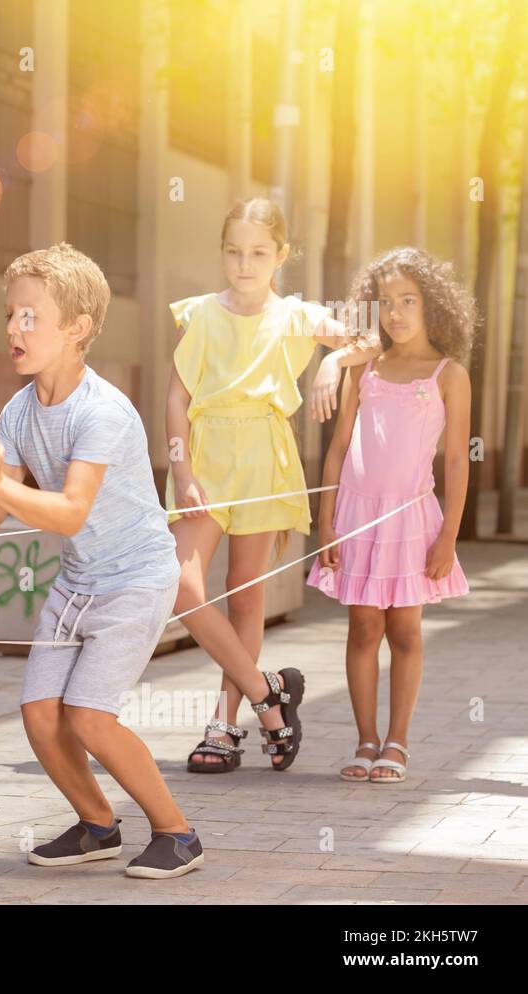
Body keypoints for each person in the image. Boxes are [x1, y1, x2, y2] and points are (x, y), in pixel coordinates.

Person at [0, 243, 202, 878]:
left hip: (135, 579)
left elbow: (69, 511)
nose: (15, 329)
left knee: (90, 718)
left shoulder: (104, 411)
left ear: (77, 330)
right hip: (78, 581)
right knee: (41, 716)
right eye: (10, 315)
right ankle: (98, 825)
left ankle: (178, 833)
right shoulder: (18, 412)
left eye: (31, 317)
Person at [167, 198, 381, 772]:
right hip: (207, 457)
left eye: (258, 252)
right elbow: (176, 396)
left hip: (264, 456)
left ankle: (222, 725)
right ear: (222, 253)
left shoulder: (296, 315)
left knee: (245, 593)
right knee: (180, 583)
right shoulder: (203, 315)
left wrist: (333, 363)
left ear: (280, 256)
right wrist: (182, 469)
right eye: (234, 251)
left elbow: (369, 341)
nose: (244, 263)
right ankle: (268, 694)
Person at [307, 247, 473, 784]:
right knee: (362, 627)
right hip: (356, 515)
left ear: (433, 307)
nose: (396, 313)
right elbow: (336, 451)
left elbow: (455, 460)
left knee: (404, 629)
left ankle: (397, 742)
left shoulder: (449, 375)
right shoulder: (366, 368)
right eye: (386, 302)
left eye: (409, 301)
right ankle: (365, 739)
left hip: (411, 518)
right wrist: (325, 521)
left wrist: (449, 534)